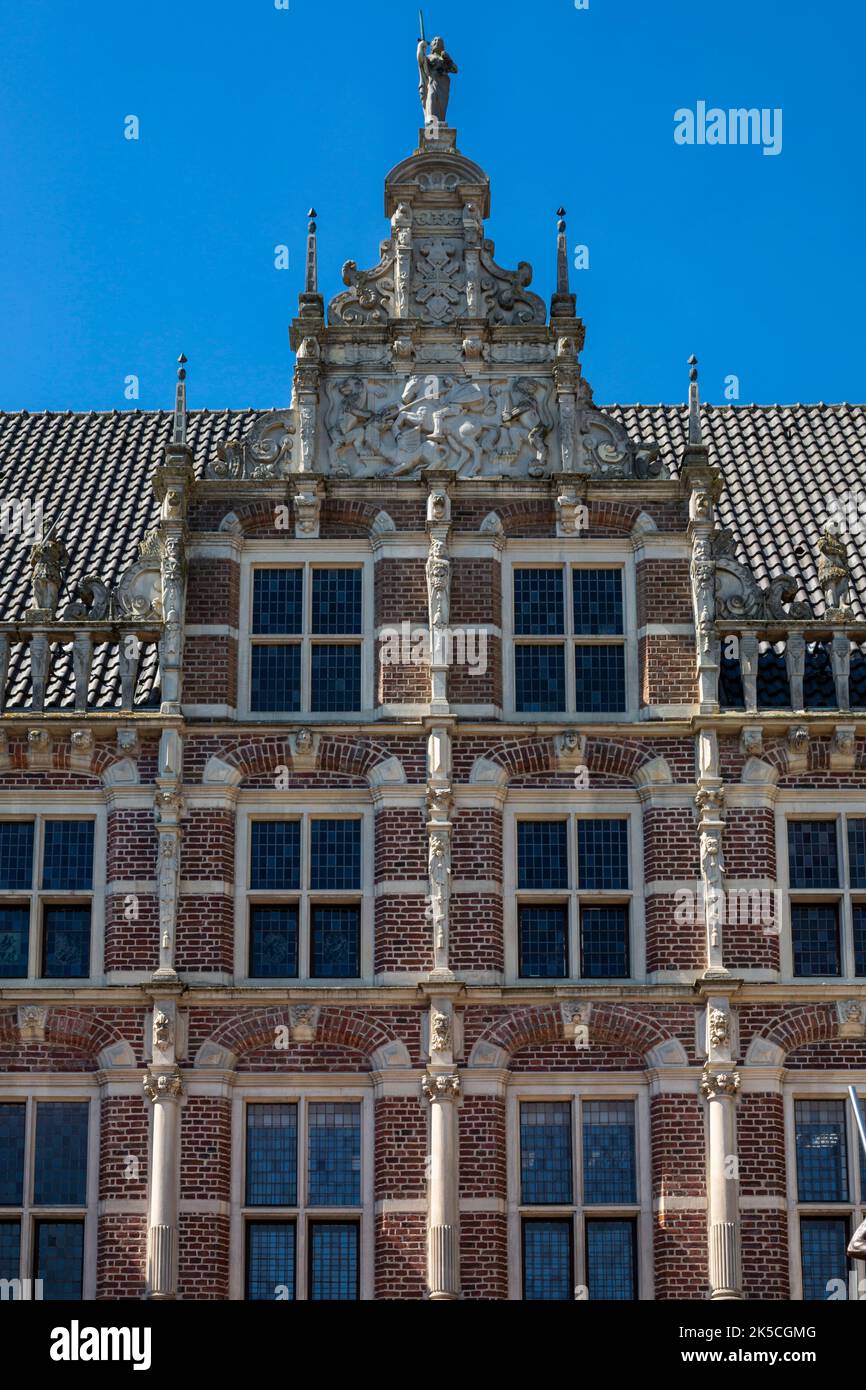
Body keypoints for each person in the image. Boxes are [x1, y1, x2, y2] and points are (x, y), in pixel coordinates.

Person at [417, 36, 457, 125]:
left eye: (439, 41)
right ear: (431, 45)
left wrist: (448, 59)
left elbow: (455, 70)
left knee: (441, 103)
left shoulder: (444, 58)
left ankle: (440, 121)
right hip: (432, 80)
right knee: (431, 95)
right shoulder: (428, 56)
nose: (437, 41)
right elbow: (420, 60)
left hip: (443, 83)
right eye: (434, 40)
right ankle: (431, 119)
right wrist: (420, 46)